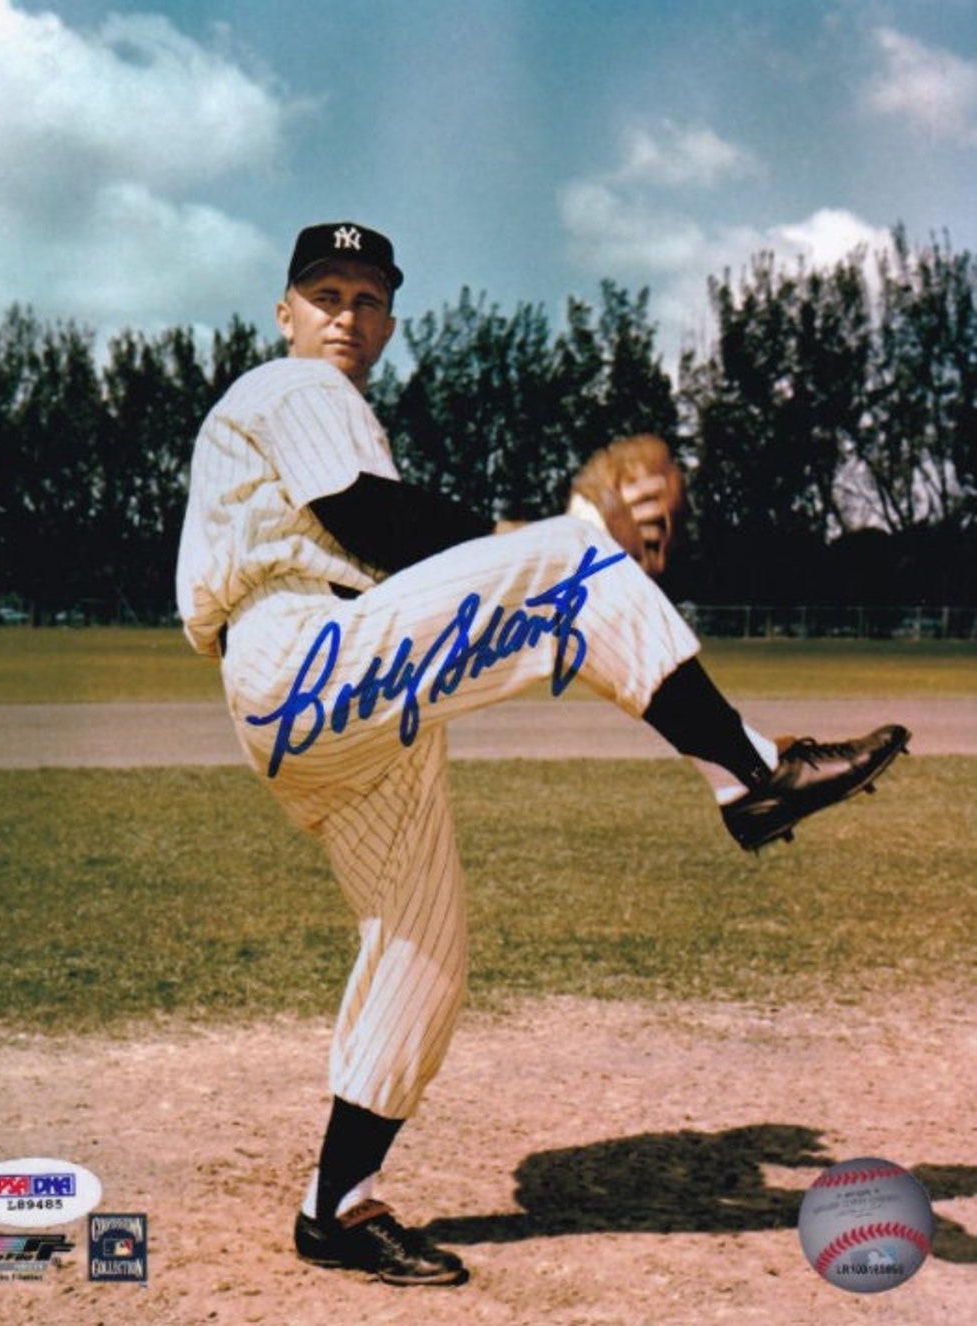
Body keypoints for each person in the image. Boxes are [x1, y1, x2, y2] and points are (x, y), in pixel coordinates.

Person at [176, 221, 909, 1287]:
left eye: (367, 298)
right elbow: (371, 519)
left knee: (423, 951)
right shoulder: (291, 389)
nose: (345, 313)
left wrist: (515, 549)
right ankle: (753, 774)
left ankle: (335, 1207)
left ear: (386, 322)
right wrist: (534, 538)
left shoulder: (343, 408)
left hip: (351, 704)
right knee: (573, 559)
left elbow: (397, 541)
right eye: (324, 292)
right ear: (285, 313)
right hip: (301, 655)